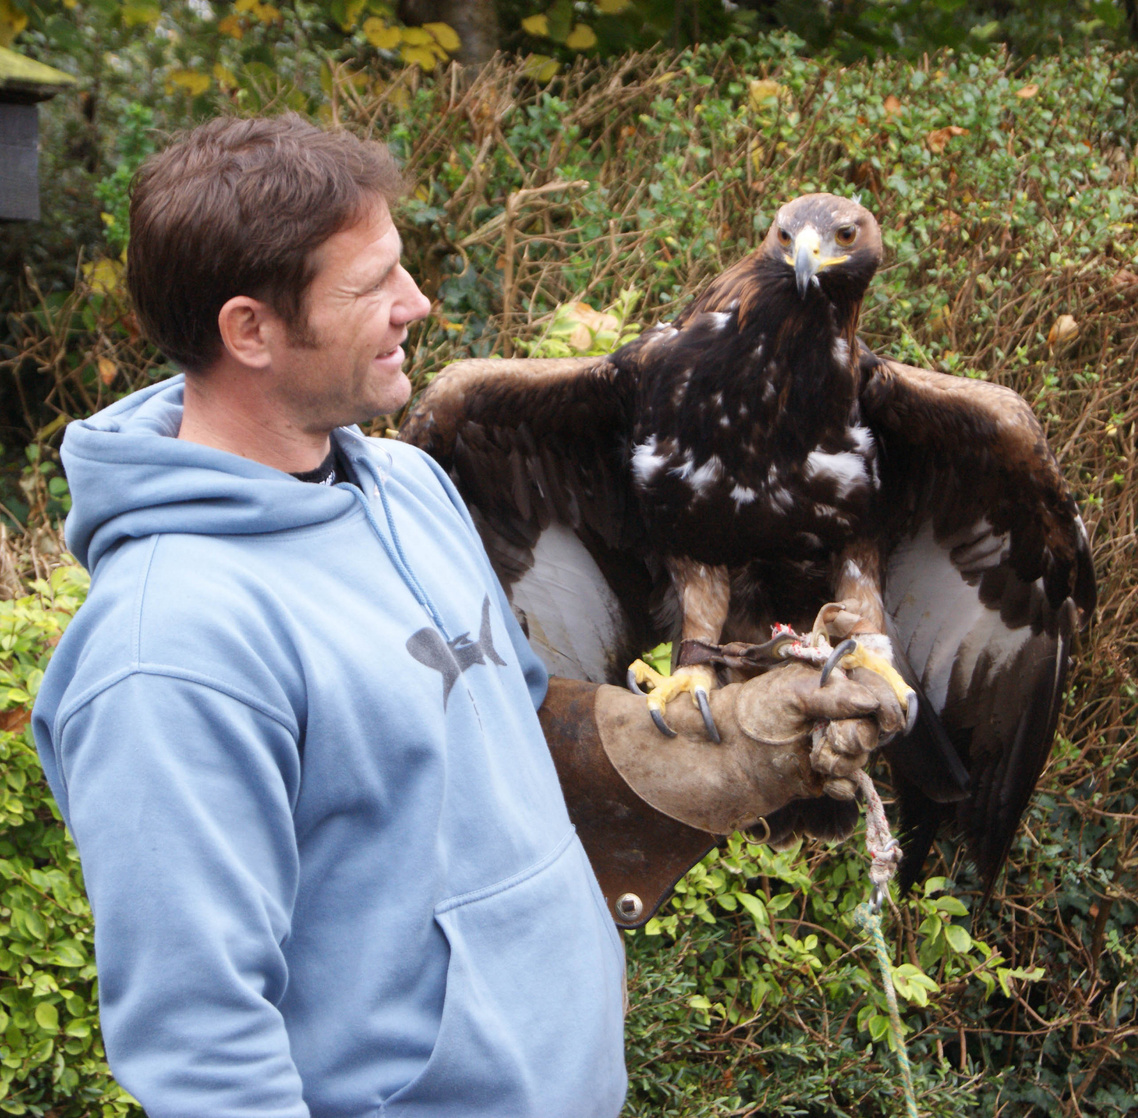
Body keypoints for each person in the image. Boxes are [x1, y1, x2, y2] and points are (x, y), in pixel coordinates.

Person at [32, 114, 893, 1118]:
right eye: (371, 287)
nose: (416, 303)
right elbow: (201, 1048)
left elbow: (510, 731)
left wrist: (731, 747)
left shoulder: (405, 486)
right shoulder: (167, 649)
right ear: (249, 330)